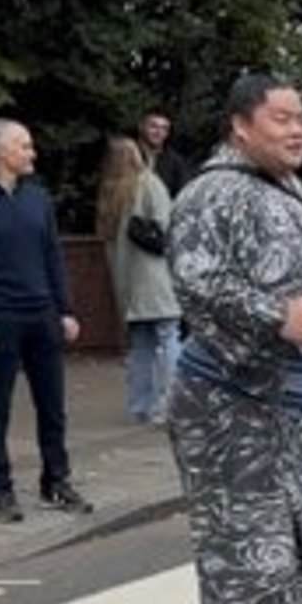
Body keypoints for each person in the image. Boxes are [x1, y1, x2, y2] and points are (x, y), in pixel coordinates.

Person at [167, 73, 302, 604]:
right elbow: (195, 280)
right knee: (237, 521)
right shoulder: (213, 192)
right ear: (240, 125)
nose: (297, 128)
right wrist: (279, 316)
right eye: (281, 118)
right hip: (230, 392)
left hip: (276, 396)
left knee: (269, 519)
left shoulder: (278, 185)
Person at [0, 119, 92, 522]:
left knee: (52, 405)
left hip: (41, 314)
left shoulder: (38, 199)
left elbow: (53, 255)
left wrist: (66, 309)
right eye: (24, 146)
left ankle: (56, 481)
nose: (32, 153)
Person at [94, 136, 180, 423]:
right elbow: (167, 225)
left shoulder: (109, 192)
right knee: (168, 337)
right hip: (155, 278)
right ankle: (168, 404)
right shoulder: (149, 183)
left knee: (140, 344)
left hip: (127, 282)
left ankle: (139, 405)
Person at [138, 110, 192, 198]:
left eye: (164, 128)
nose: (158, 132)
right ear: (141, 127)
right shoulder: (127, 156)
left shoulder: (175, 163)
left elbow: (184, 194)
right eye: (153, 126)